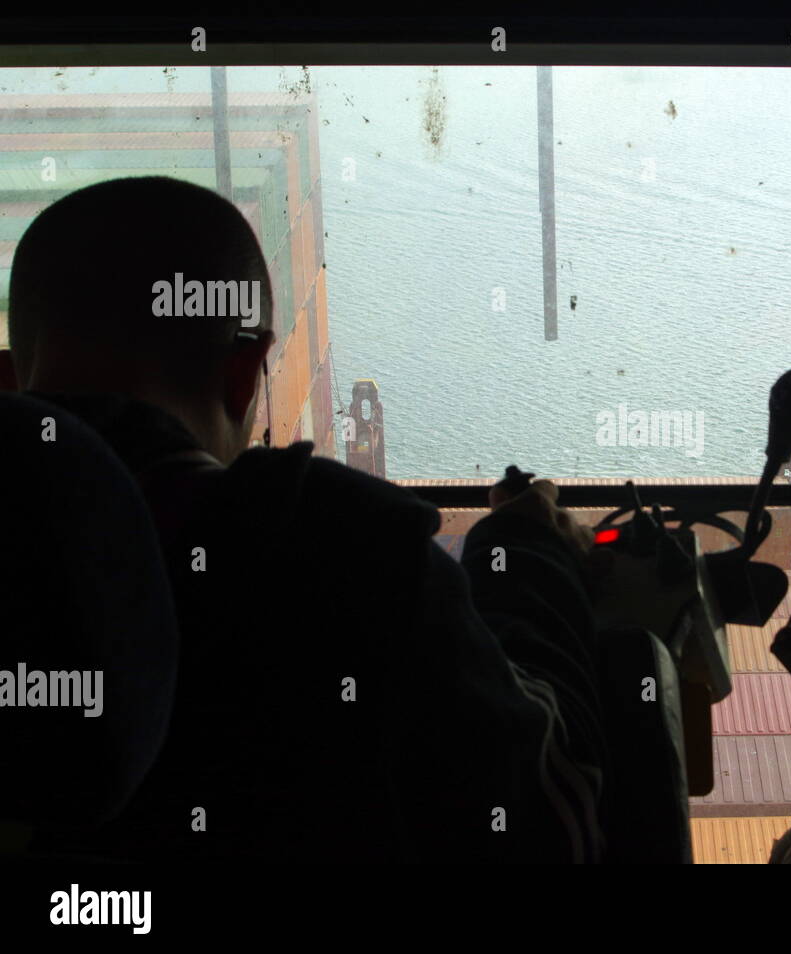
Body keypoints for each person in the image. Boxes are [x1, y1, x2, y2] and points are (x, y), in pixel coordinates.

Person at [3, 177, 607, 862]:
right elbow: (555, 829)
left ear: (8, 378)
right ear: (244, 373)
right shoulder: (344, 547)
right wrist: (530, 555)